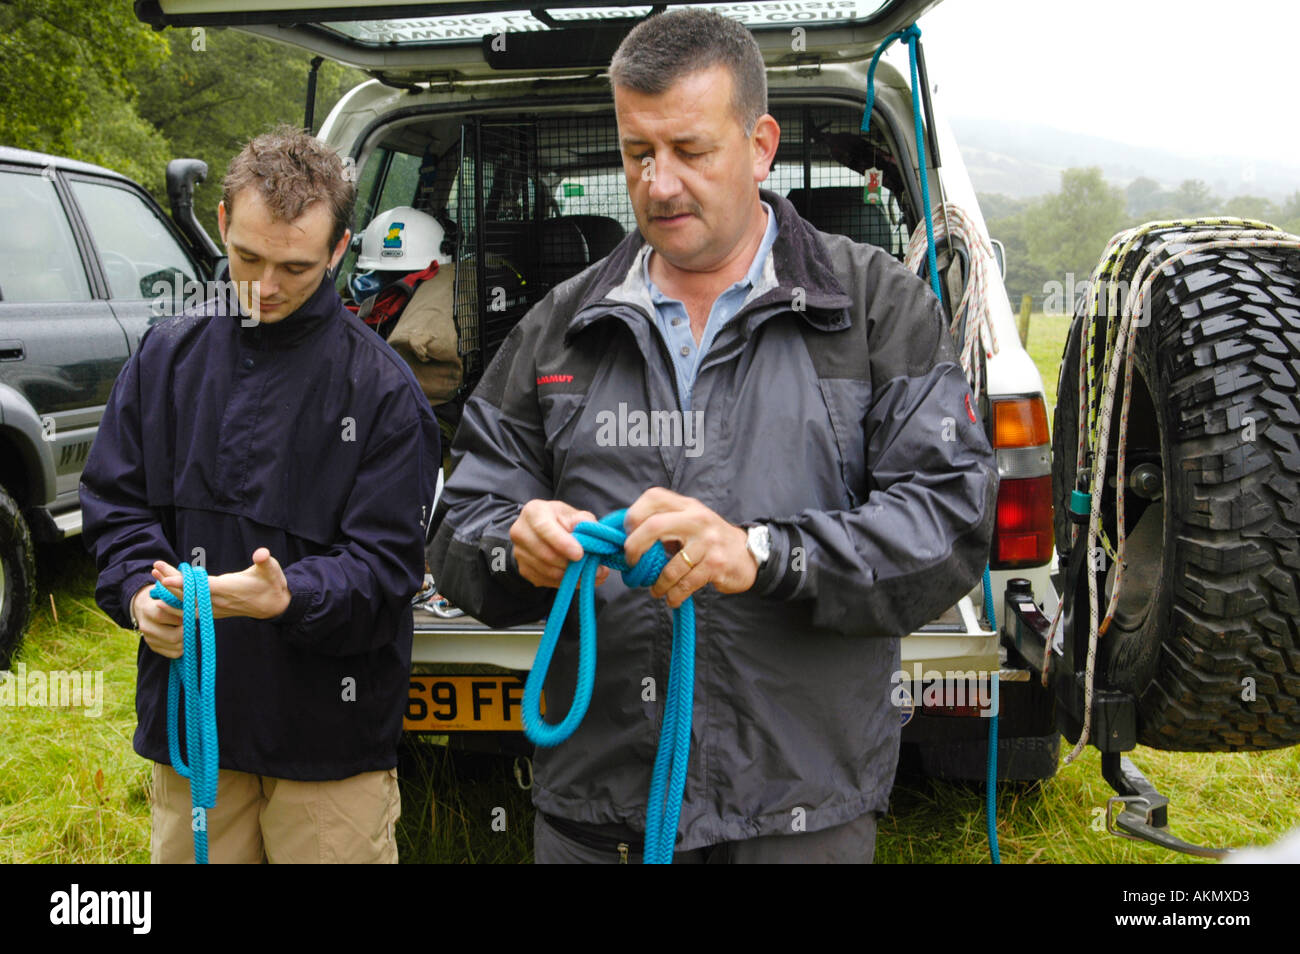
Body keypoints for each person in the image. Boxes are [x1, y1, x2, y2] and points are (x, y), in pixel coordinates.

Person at [427, 10, 998, 863]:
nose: (658, 183)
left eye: (690, 151)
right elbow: (460, 522)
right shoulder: (560, 325)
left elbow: (950, 522)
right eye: (637, 153)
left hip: (798, 808)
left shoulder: (874, 306)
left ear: (761, 145)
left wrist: (765, 555)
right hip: (597, 809)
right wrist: (515, 546)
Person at [80, 125, 442, 864]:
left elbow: (387, 571)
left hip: (326, 743)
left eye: (296, 266)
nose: (266, 286)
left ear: (339, 250)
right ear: (221, 221)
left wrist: (287, 597)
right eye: (247, 257)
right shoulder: (164, 357)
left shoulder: (383, 393)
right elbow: (116, 509)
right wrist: (138, 596)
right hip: (192, 727)